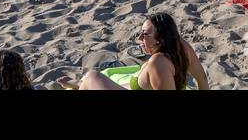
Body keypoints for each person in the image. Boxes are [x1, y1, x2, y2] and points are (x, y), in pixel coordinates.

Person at [75, 13, 209, 91]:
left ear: (160, 40)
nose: (139, 38)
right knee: (91, 79)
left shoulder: (159, 63)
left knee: (92, 76)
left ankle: (82, 84)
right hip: (130, 86)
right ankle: (79, 84)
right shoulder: (181, 46)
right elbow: (202, 79)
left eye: (144, 35)